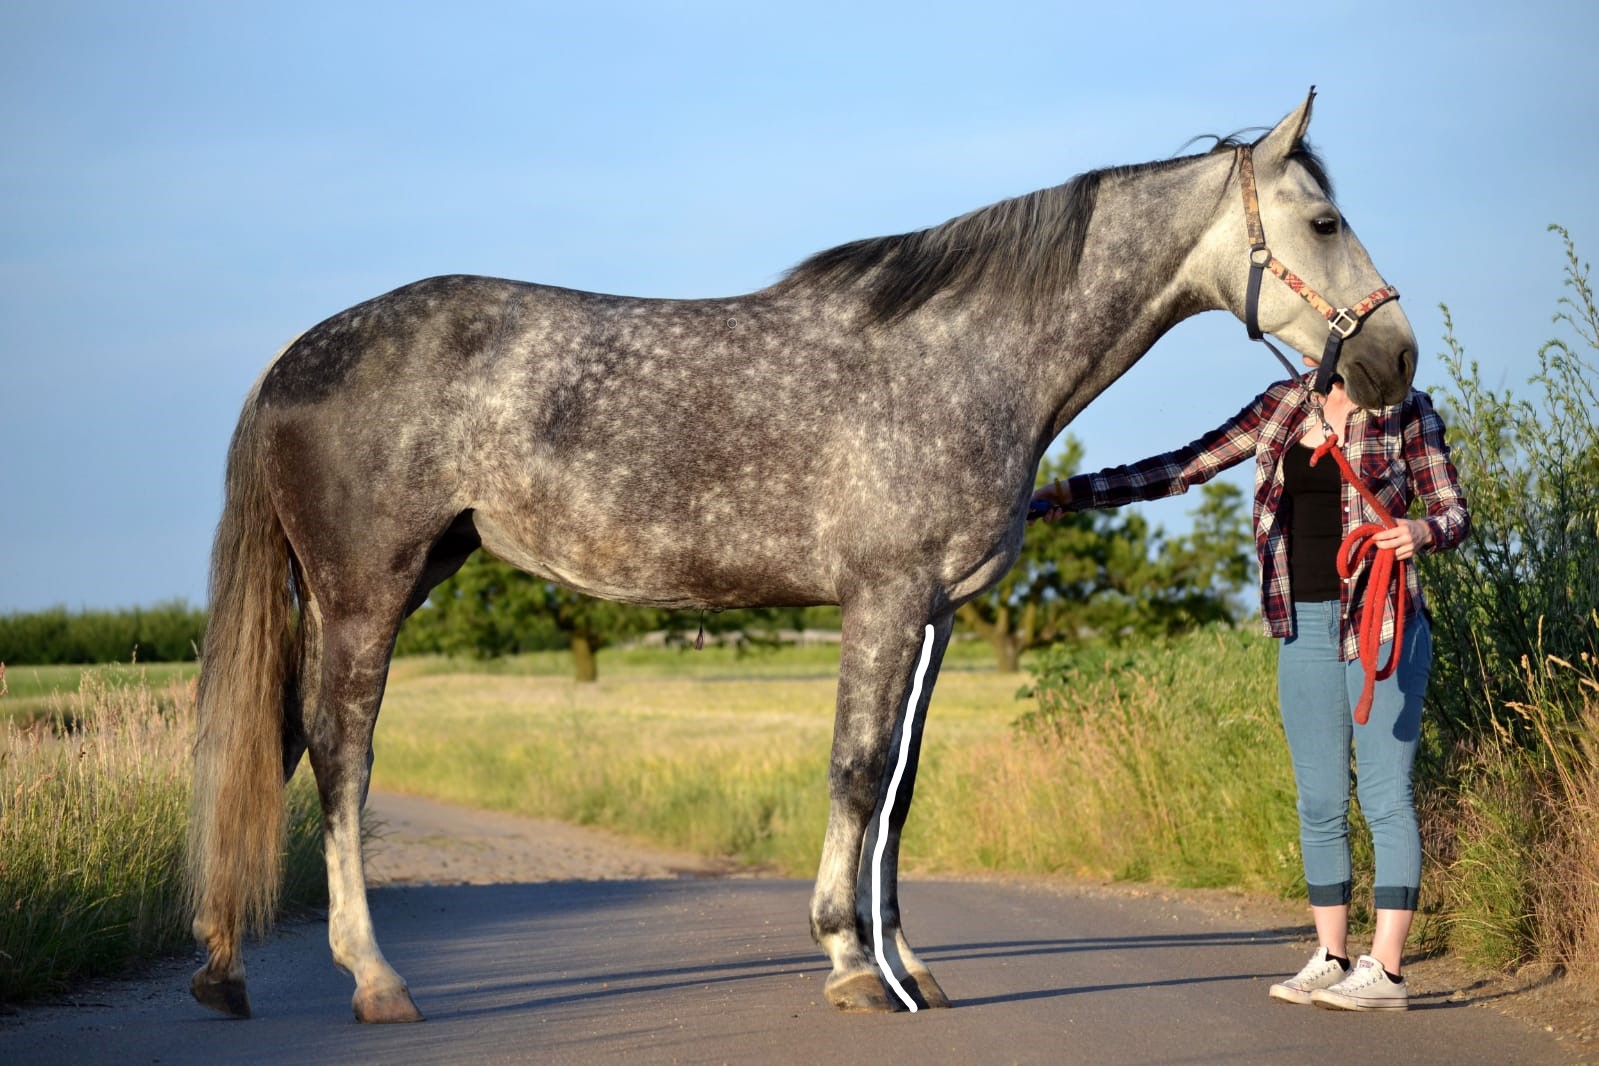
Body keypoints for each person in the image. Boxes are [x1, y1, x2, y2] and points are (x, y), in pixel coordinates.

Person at [1032, 356, 1469, 1012]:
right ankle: (1331, 956)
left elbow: (1454, 511)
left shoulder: (1404, 408)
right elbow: (1188, 464)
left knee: (1384, 796)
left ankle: (1387, 970)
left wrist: (1422, 530)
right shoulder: (1283, 404)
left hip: (1381, 619)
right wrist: (1075, 493)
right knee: (1319, 801)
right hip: (1301, 622)